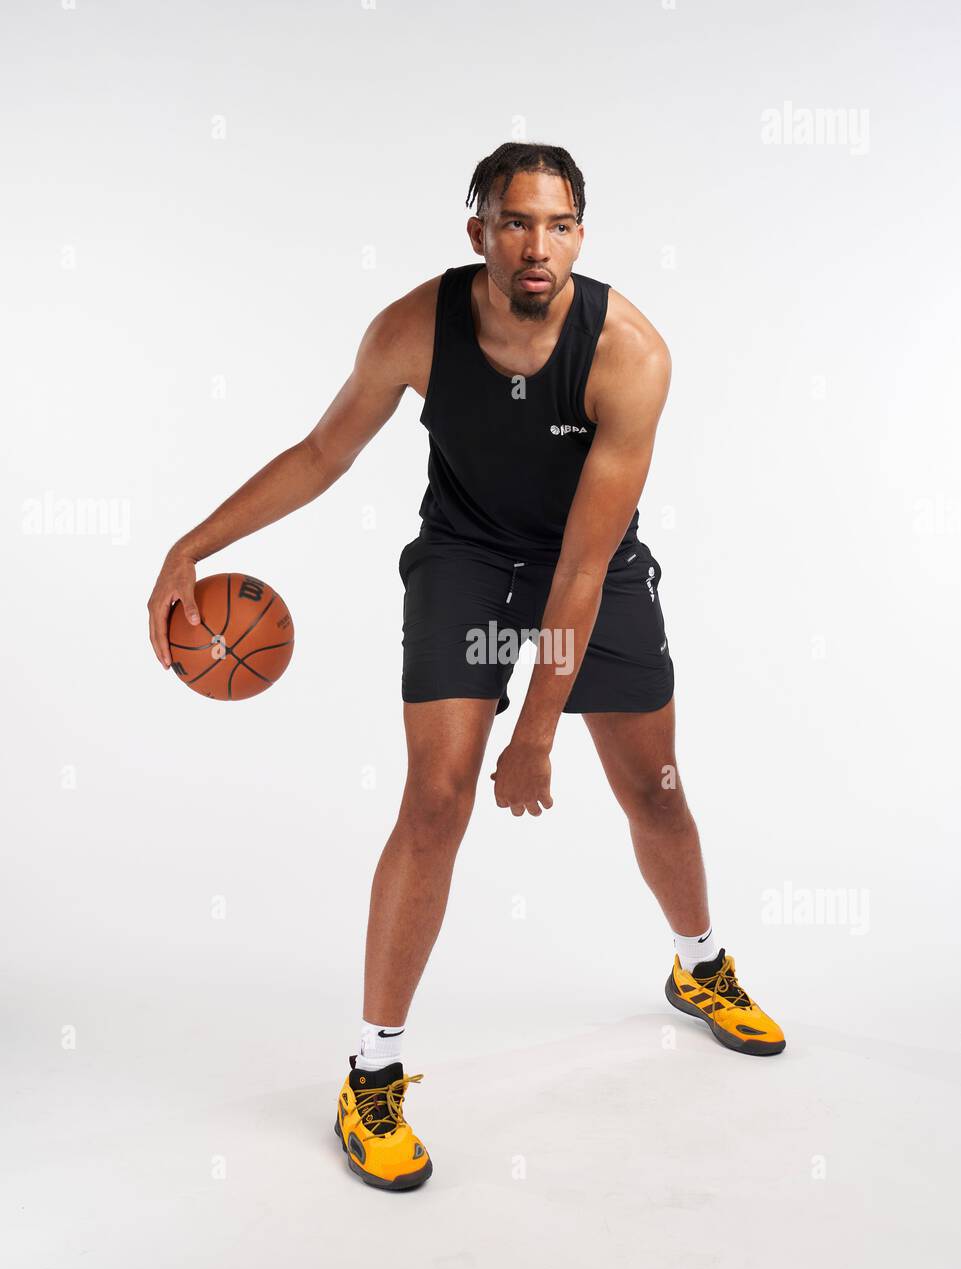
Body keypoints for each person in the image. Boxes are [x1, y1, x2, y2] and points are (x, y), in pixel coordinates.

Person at [147, 141, 785, 1194]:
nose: (539, 246)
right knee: (436, 799)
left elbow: (581, 565)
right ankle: (373, 1069)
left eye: (561, 224)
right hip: (467, 560)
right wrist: (195, 544)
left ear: (582, 234)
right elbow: (322, 453)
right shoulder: (414, 328)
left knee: (653, 791)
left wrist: (534, 731)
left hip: (592, 568)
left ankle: (699, 962)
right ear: (479, 229)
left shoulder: (629, 352)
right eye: (518, 221)